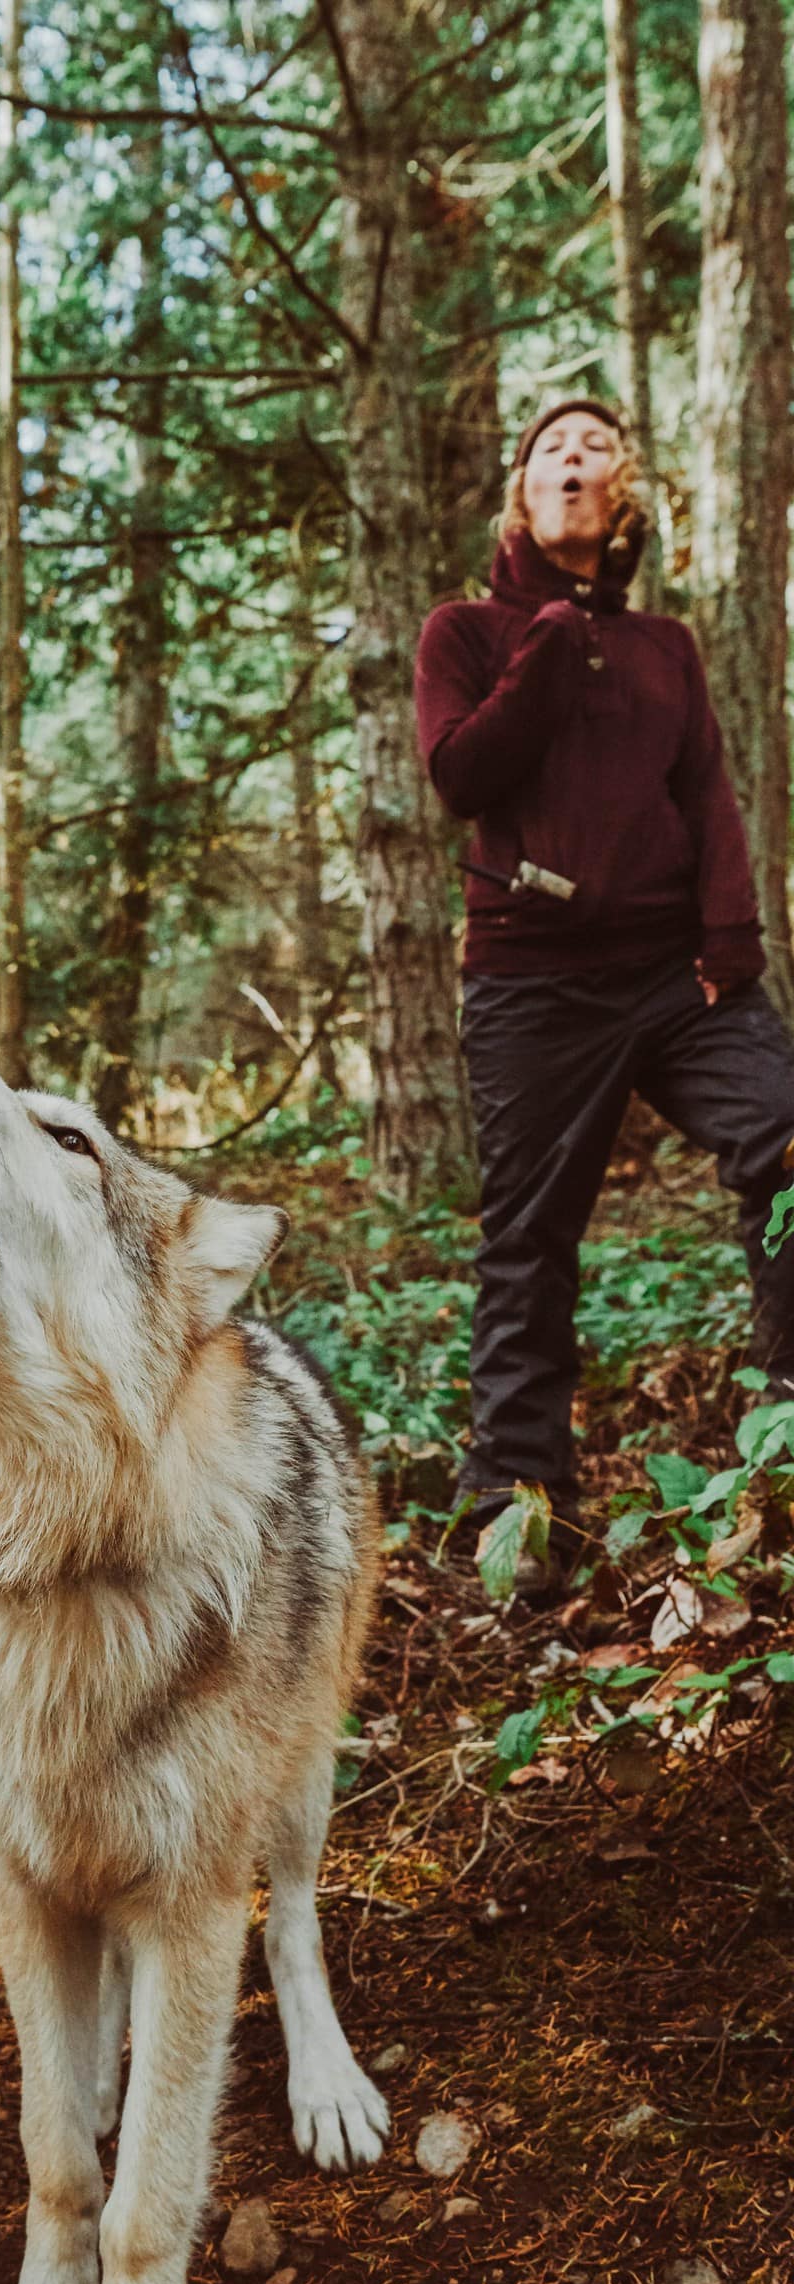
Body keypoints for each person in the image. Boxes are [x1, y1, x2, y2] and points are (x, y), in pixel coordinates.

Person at [415, 395, 794, 1556]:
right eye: (551, 450)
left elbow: (709, 800)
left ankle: (787, 1419)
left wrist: (734, 943)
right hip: (533, 983)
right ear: (521, 491)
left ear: (622, 492)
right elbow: (463, 775)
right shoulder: (466, 631)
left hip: (675, 976)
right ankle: (515, 1511)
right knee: (531, 1239)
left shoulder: (666, 647)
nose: (574, 461)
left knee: (789, 1131)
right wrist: (547, 640)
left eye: (597, 449)